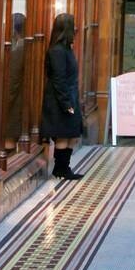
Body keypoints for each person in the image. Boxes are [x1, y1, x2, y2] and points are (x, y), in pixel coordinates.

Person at [40, 12, 84, 182]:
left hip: (70, 97)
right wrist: (66, 104)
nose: (75, 29)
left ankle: (64, 167)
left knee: (72, 134)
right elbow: (58, 79)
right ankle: (60, 169)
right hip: (61, 100)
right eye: (73, 26)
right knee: (63, 135)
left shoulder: (65, 49)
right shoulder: (57, 51)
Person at [4, 11, 26, 151]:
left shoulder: (21, 47)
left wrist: (6, 100)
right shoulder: (22, 45)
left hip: (16, 100)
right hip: (20, 98)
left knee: (9, 136)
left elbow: (13, 77)